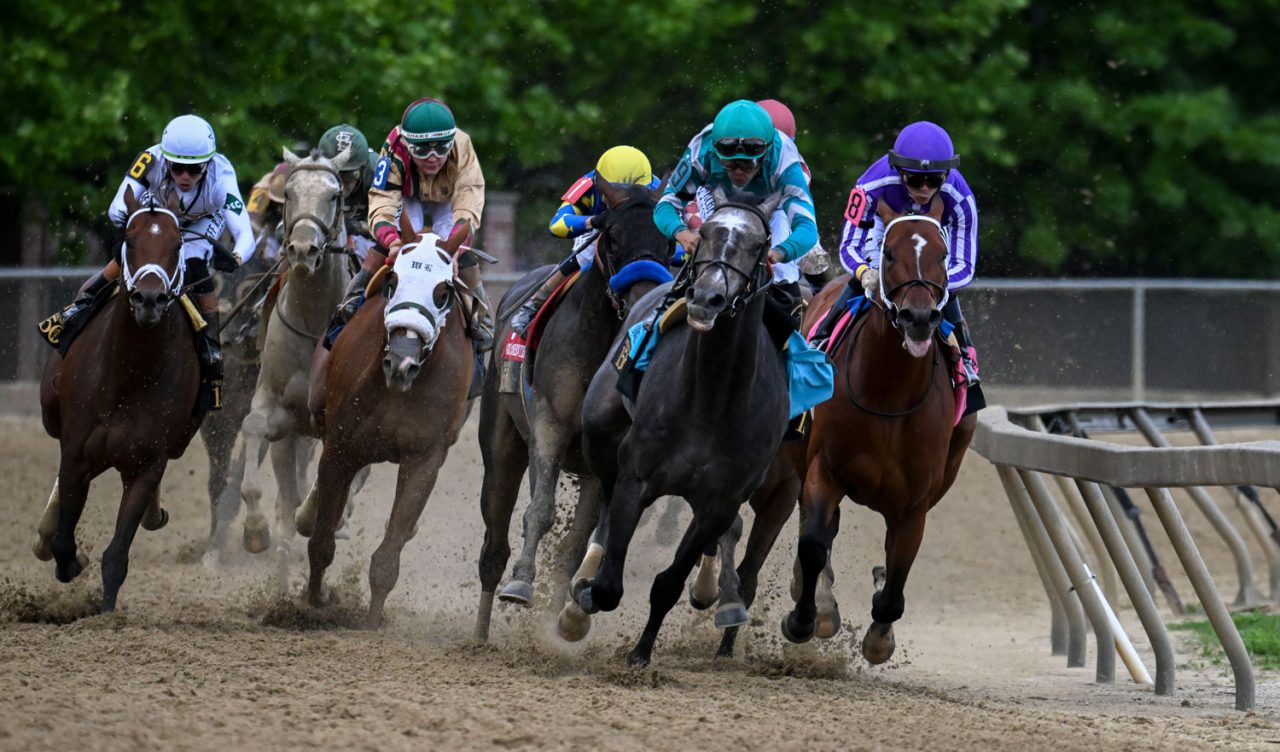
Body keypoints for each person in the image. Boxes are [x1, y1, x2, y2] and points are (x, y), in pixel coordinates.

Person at [53, 114, 254, 383]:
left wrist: (236, 257)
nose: (185, 176)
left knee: (193, 262)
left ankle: (211, 347)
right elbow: (116, 211)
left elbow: (245, 234)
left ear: (208, 164)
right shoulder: (149, 159)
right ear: (165, 159)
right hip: (156, 213)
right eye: (177, 167)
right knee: (132, 253)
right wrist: (141, 230)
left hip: (201, 221)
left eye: (194, 170)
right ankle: (77, 310)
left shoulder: (223, 178)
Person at [819, 120, 981, 386]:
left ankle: (964, 357)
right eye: (915, 180)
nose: (925, 189)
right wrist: (864, 272)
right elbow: (850, 246)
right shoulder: (869, 187)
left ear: (946, 176)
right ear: (899, 171)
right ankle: (823, 339)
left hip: (936, 230)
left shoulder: (961, 200)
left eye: (934, 181)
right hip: (884, 224)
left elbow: (963, 265)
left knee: (940, 288)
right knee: (863, 283)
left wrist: (932, 284)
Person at [340, 97, 492, 350]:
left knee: (451, 249)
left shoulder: (463, 145)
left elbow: (468, 204)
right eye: (421, 150)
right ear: (407, 144)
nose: (433, 158)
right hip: (408, 198)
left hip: (448, 200)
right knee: (400, 244)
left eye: (441, 149)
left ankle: (481, 314)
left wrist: (456, 250)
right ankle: (354, 294)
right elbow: (382, 204)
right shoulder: (393, 148)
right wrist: (393, 242)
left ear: (451, 142)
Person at [655, 99, 818, 319]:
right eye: (729, 164)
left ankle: (794, 331)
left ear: (765, 153)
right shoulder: (701, 149)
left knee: (782, 272)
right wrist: (681, 234)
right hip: (718, 196)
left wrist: (780, 252)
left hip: (771, 206)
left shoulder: (786, 162)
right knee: (711, 241)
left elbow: (807, 228)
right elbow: (665, 205)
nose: (738, 172)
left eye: (747, 164)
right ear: (715, 151)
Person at [509, 145, 660, 335]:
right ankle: (534, 304)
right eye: (616, 192)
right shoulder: (588, 184)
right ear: (602, 184)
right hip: (599, 233)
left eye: (632, 192)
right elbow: (557, 224)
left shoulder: (656, 188)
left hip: (639, 238)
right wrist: (593, 221)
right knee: (588, 254)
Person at [315, 123, 377, 262]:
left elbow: (391, 227)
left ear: (361, 169)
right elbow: (282, 231)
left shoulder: (376, 175)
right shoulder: (313, 178)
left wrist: (356, 227)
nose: (340, 185)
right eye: (334, 175)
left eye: (348, 176)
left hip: (367, 242)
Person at [246, 161, 289, 262]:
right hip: (268, 227)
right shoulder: (262, 190)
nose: (280, 209)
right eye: (278, 203)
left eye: (283, 205)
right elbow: (252, 223)